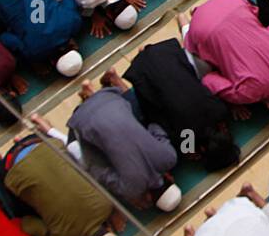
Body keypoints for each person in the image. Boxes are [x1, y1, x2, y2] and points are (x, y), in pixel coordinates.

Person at [0, 131, 122, 236]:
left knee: (74, 168)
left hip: (41, 141)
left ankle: (20, 140)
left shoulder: (107, 204)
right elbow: (27, 223)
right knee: (20, 211)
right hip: (12, 163)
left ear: (109, 230)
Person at [116, 39, 239, 171]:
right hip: (144, 69)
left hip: (167, 53)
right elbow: (161, 124)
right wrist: (188, 150)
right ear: (203, 148)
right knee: (147, 115)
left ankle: (145, 56)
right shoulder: (188, 133)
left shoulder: (219, 112)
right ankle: (139, 62)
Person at [56, 81, 181, 211]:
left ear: (170, 178)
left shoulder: (170, 158)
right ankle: (86, 101)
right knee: (93, 160)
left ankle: (95, 93)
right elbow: (99, 172)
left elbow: (155, 127)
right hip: (82, 119)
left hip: (113, 98)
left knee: (139, 119)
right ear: (149, 197)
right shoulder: (131, 189)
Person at [183, 0, 269, 115]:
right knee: (200, 66)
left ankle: (201, 12)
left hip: (232, 3)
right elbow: (209, 80)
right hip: (202, 27)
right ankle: (186, 23)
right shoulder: (246, 95)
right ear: (268, 105)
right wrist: (234, 102)